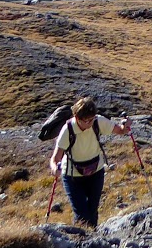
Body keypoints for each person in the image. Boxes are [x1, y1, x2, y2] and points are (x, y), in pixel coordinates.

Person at [48, 97, 131, 228]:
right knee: (82, 214)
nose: (88, 124)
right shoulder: (67, 129)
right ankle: (81, 241)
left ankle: (91, 241)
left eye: (91, 120)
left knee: (92, 211)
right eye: (85, 121)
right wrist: (54, 168)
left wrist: (125, 126)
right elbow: (55, 158)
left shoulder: (97, 121)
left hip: (96, 172)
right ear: (76, 117)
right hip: (72, 177)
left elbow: (120, 130)